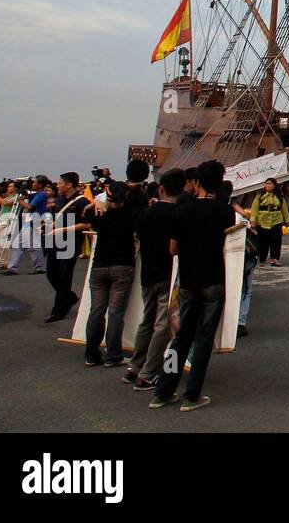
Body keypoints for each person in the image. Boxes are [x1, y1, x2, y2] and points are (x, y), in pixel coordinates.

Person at [151, 162, 236, 412]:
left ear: (196, 183)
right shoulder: (225, 212)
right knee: (203, 340)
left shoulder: (183, 211)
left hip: (188, 281)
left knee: (180, 338)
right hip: (214, 280)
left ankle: (162, 391)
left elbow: (172, 249)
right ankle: (192, 396)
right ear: (219, 184)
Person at [127, 169, 183, 387]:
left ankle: (135, 365)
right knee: (162, 324)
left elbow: (137, 237)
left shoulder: (147, 212)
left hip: (147, 272)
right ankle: (149, 371)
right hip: (167, 274)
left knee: (146, 320)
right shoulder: (178, 214)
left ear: (161, 188)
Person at [83, 181, 140, 367]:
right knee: (116, 312)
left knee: (96, 311)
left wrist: (96, 204)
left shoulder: (100, 216)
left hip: (99, 266)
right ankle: (113, 354)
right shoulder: (132, 215)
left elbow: (87, 210)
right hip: (122, 266)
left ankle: (91, 354)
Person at [43, 173, 89, 324]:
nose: (57, 186)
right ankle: (69, 298)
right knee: (51, 274)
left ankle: (59, 310)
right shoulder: (59, 201)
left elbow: (86, 224)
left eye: (60, 183)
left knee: (64, 276)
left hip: (70, 242)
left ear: (69, 185)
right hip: (54, 241)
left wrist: (64, 229)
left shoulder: (82, 202)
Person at [6, 177, 48, 275]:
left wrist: (20, 200)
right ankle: (39, 267)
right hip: (31, 221)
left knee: (25, 245)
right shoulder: (38, 194)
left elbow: (30, 207)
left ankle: (13, 268)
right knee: (29, 245)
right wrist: (24, 192)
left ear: (40, 184)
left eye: (34, 182)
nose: (32, 184)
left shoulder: (41, 194)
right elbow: (29, 197)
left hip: (34, 221)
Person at [251, 177, 289, 266]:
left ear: (274, 186)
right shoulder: (259, 197)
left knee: (276, 240)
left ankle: (274, 259)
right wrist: (253, 222)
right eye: (266, 184)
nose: (267, 185)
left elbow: (284, 209)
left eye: (269, 184)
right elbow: (254, 210)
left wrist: (287, 220)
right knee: (263, 241)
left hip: (276, 221)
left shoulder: (279, 197)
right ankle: (262, 259)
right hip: (262, 222)